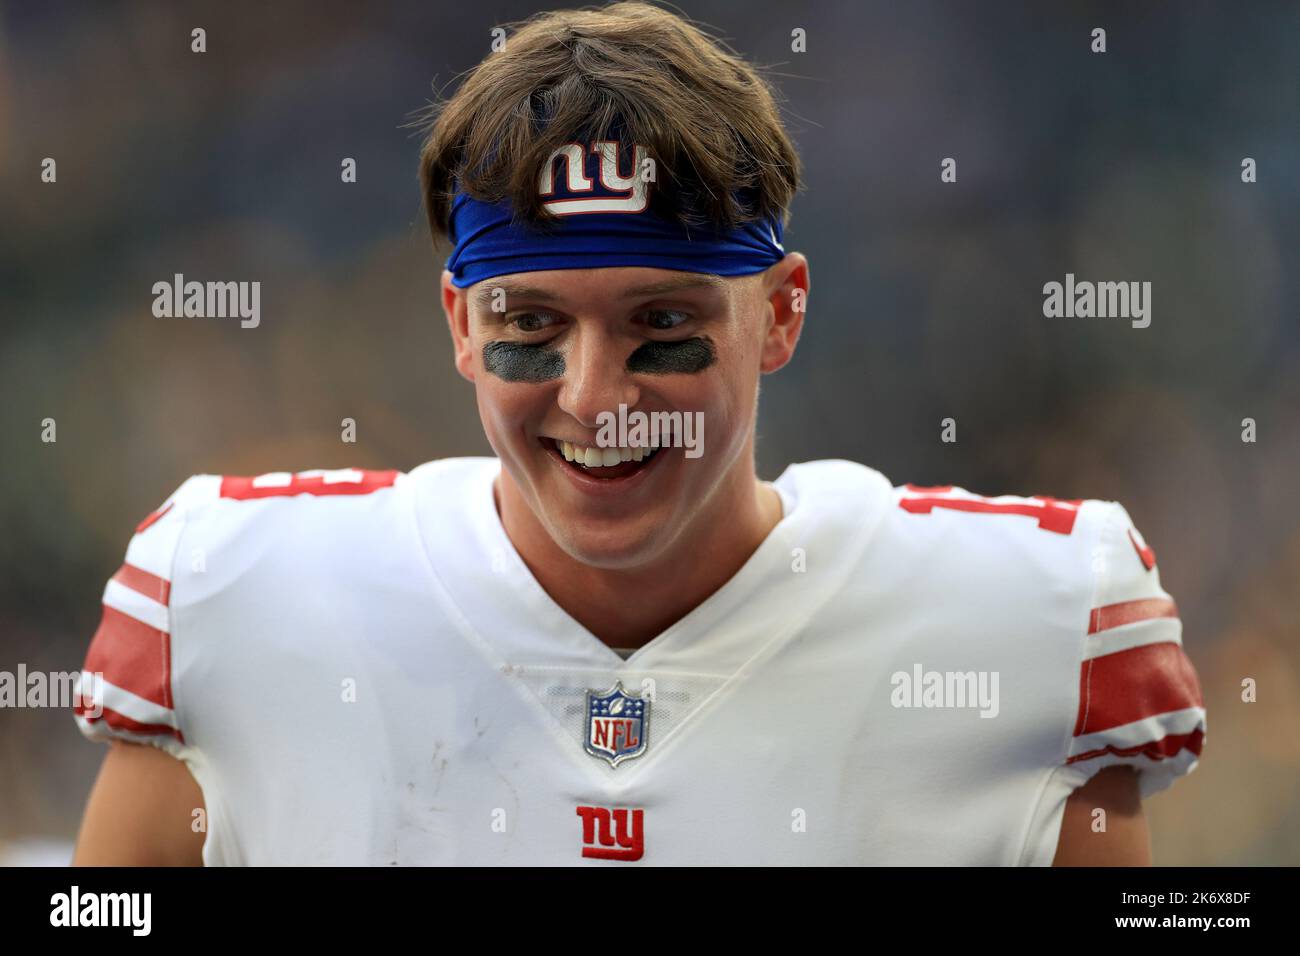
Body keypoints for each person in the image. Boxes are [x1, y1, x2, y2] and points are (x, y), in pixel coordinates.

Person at [72, 1, 1205, 865]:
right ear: (460, 324)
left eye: (661, 322)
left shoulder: (1035, 621)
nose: (593, 393)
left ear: (782, 312)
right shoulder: (234, 595)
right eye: (533, 323)